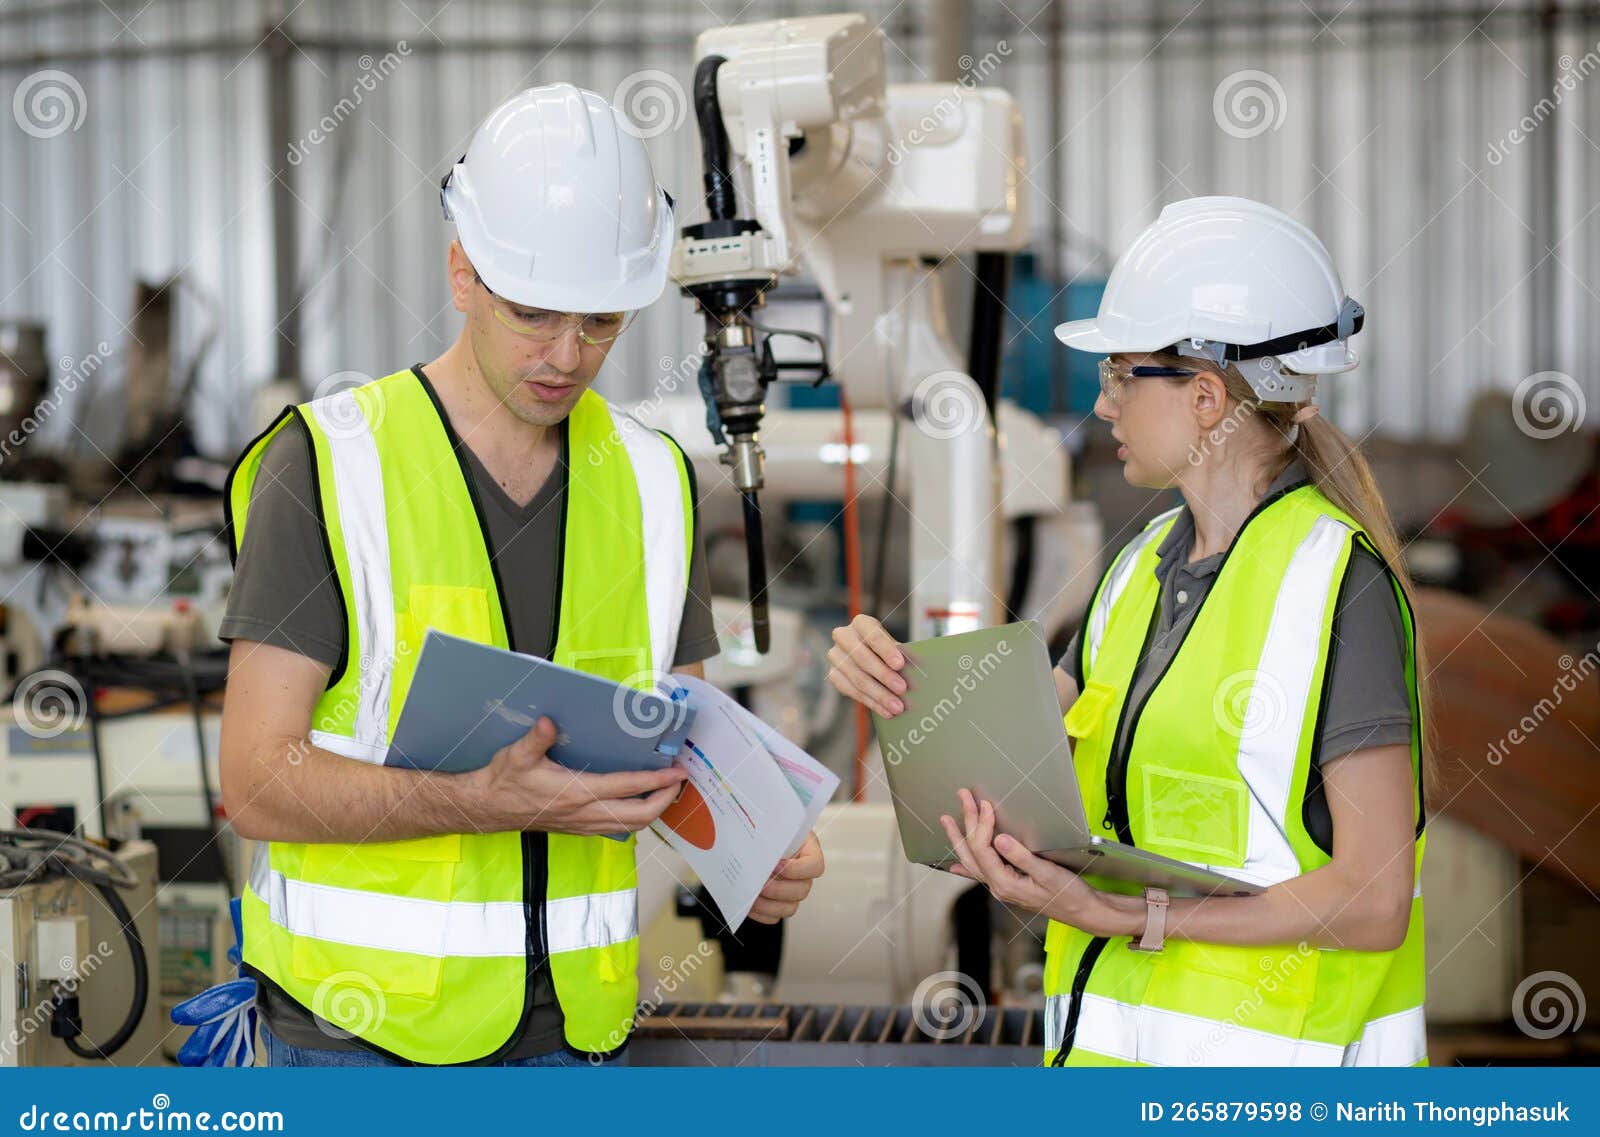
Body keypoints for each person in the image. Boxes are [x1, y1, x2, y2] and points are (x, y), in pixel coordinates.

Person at [219, 84, 824, 1068]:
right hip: (356, 1042)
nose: (565, 355)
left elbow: (674, 745)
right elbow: (255, 782)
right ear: (462, 270)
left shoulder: (649, 479)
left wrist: (748, 847)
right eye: (533, 312)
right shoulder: (331, 463)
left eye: (601, 322)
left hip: (580, 1041)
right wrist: (478, 800)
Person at [828, 197, 1427, 1067]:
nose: (1103, 405)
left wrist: (1129, 917)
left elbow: (1376, 901)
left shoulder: (1341, 586)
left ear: (1207, 396)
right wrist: (894, 681)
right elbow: (1021, 760)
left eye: (1119, 374)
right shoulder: (1140, 563)